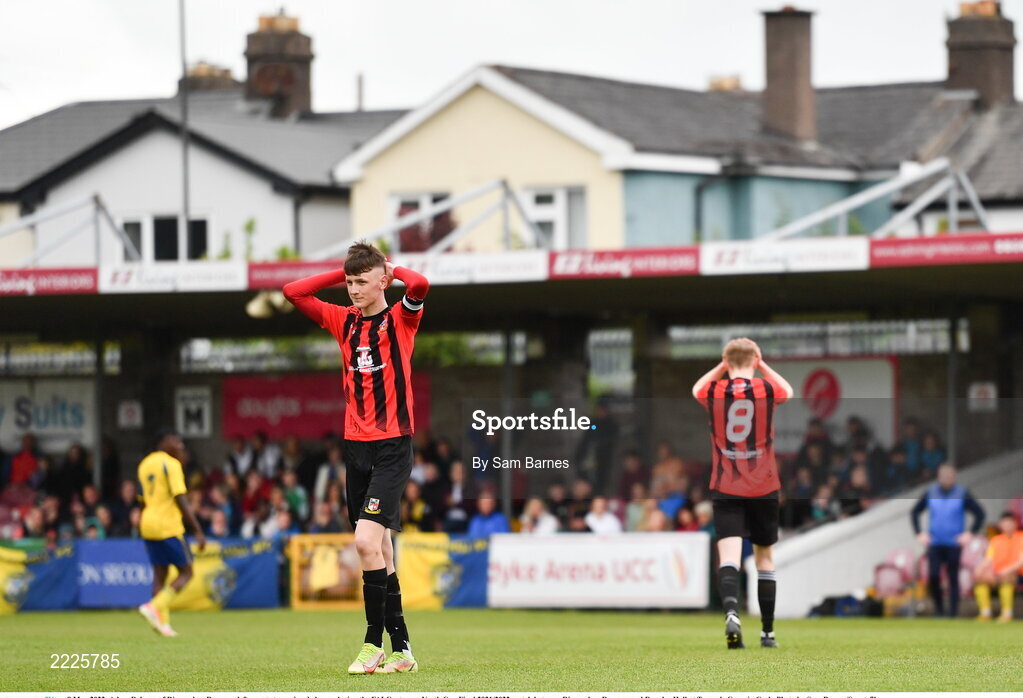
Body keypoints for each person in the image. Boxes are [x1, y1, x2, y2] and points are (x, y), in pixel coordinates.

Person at [284, 240, 428, 675]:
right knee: (380, 546)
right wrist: (342, 271)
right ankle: (402, 649)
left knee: (365, 541)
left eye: (361, 282)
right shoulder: (342, 319)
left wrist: (387, 267)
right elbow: (293, 291)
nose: (352, 290)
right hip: (356, 446)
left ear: (383, 280)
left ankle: (372, 644)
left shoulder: (401, 319)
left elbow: (420, 282)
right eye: (348, 283)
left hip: (392, 446)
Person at [692, 337, 793, 650]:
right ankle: (767, 633)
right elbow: (788, 391)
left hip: (726, 485)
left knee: (729, 558)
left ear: (725, 360)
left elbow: (696, 388)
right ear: (755, 359)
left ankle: (732, 612)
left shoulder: (715, 391)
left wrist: (722, 366)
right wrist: (762, 364)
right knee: (764, 559)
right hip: (764, 486)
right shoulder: (765, 389)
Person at [136, 429, 206, 637]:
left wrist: (141, 526)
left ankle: (162, 625)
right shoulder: (171, 464)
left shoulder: (145, 464)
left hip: (147, 523)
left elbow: (141, 500)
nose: (181, 447)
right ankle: (154, 606)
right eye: (178, 443)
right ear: (165, 441)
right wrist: (198, 530)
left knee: (160, 574)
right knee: (187, 572)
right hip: (167, 525)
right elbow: (180, 498)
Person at [910, 463, 985, 618]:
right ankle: (939, 609)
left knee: (953, 578)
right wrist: (919, 533)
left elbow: (980, 514)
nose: (947, 479)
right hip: (935, 543)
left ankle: (953, 613)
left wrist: (969, 533)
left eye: (950, 476)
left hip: (954, 544)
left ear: (954, 477)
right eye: (944, 476)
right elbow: (915, 512)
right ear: (939, 477)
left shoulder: (962, 493)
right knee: (934, 576)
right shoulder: (930, 492)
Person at [973, 512, 1023, 622]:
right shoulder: (996, 540)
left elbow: (1021, 561)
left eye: (1010, 523)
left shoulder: (1021, 538)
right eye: (1005, 523)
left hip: (1017, 574)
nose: (1007, 526)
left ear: (1015, 524)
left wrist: (1007, 570)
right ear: (1000, 525)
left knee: (1007, 576)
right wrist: (979, 570)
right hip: (998, 573)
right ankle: (985, 612)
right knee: (980, 578)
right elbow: (988, 559)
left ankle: (1007, 613)